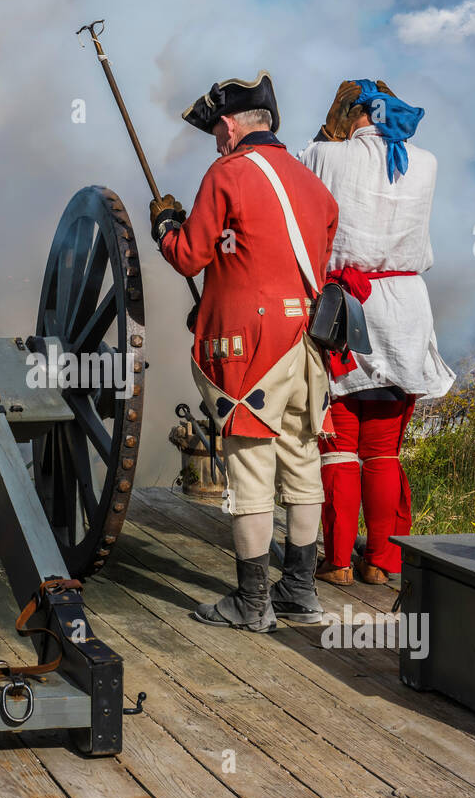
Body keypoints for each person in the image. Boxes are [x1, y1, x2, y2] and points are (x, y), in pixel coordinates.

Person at [150, 71, 339, 632]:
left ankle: (252, 604)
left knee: (250, 470)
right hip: (306, 342)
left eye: (215, 130)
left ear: (230, 126)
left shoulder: (227, 173)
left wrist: (165, 224)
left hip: (250, 347)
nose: (214, 140)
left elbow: (189, 257)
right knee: (303, 460)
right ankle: (300, 592)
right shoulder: (312, 184)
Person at [298, 79, 455, 585]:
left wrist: (329, 128)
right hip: (405, 311)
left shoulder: (327, 155)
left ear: (349, 112)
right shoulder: (426, 163)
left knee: (340, 446)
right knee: (383, 450)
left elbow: (299, 175)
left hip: (343, 309)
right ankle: (383, 563)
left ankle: (338, 561)